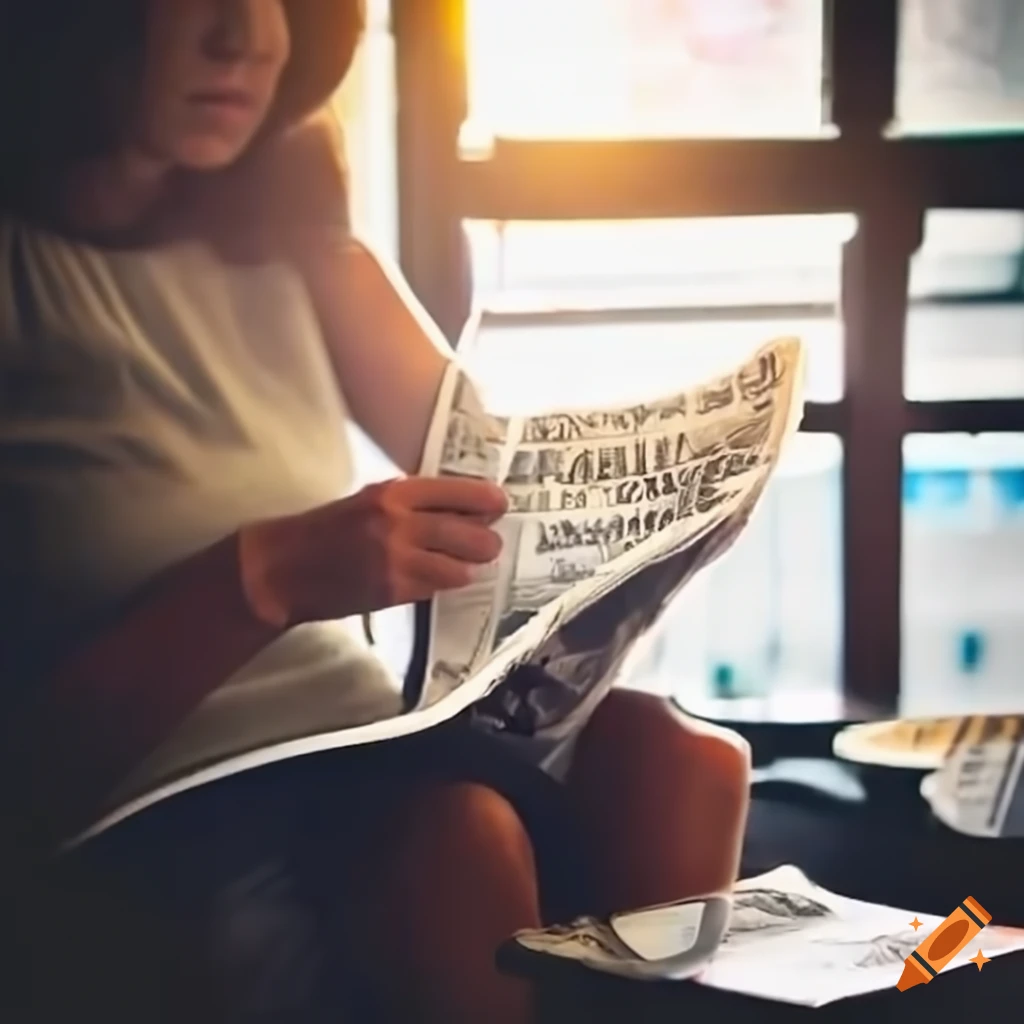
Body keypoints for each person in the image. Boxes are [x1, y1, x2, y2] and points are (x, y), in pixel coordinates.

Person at [0, 2, 751, 1021]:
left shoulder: (276, 231)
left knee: (672, 754)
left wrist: (663, 508)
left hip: (360, 747)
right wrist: (260, 578)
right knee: (455, 838)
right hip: (158, 787)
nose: (249, 38)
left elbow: (500, 489)